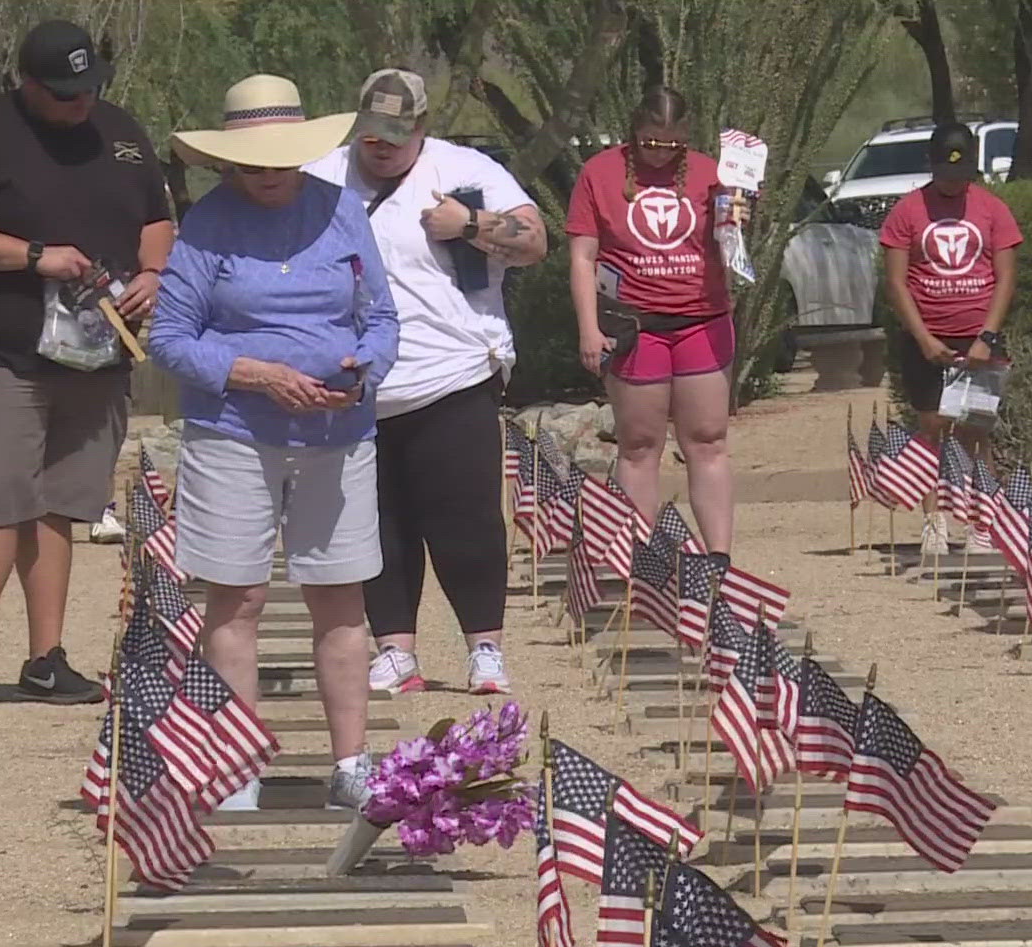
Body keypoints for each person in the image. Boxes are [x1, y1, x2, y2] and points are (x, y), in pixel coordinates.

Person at [149, 74, 400, 811]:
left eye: (279, 161)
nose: (266, 175)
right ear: (226, 163)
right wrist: (252, 373)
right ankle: (235, 763)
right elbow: (168, 340)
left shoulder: (343, 211)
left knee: (341, 598)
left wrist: (366, 369)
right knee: (239, 598)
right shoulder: (206, 225)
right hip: (233, 432)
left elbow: (380, 318)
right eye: (251, 163)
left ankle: (351, 762)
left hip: (338, 429)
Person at [0, 19, 175, 711]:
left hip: (96, 356)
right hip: (1, 352)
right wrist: (35, 256)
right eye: (63, 94)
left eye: (88, 89)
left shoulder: (120, 133)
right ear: (27, 83)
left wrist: (155, 269)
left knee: (60, 506)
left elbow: (157, 215)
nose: (79, 103)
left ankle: (46, 657)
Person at [305, 69, 547, 697]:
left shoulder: (463, 169)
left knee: (464, 519)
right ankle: (395, 651)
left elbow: (536, 240)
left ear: (421, 128)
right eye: (370, 135)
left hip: (452, 374)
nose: (379, 147)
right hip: (358, 384)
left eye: (394, 135)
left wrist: (469, 225)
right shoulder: (324, 175)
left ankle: (485, 648)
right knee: (378, 522)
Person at [567, 87, 735, 555]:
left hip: (702, 320)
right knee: (639, 445)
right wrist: (588, 326)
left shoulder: (711, 173)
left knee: (707, 439)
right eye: (650, 143)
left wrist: (741, 212)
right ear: (634, 132)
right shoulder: (600, 173)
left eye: (672, 144)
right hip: (634, 325)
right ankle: (643, 560)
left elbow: (732, 245)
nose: (660, 154)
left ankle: (718, 560)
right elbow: (582, 255)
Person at [878, 122, 1023, 555]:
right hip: (929, 338)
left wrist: (987, 337)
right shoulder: (908, 211)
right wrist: (922, 338)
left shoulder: (992, 209)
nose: (953, 182)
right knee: (932, 429)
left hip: (978, 338)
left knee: (977, 430)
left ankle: (983, 522)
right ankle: (934, 520)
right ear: (931, 163)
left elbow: (1005, 278)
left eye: (961, 174)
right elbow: (897, 282)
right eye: (945, 173)